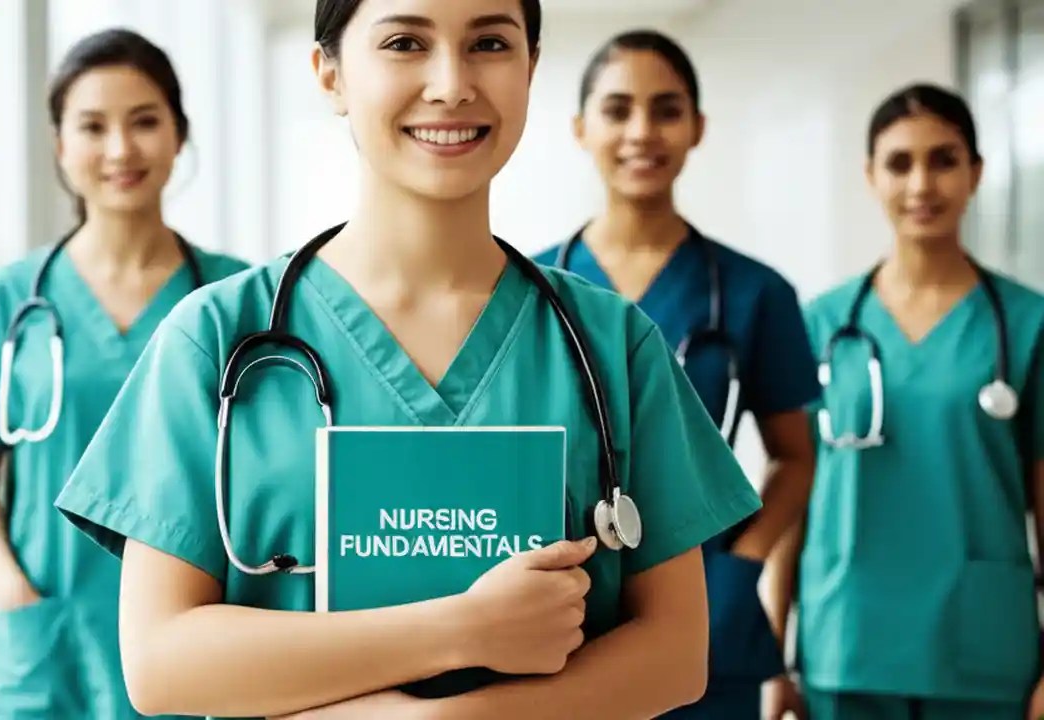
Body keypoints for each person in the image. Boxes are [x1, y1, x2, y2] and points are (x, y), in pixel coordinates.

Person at [53, 2, 762, 719]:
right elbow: (162, 663)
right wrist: (465, 629)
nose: (451, 83)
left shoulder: (612, 344)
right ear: (329, 75)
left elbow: (674, 655)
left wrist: (446, 719)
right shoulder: (213, 339)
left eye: (489, 42)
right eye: (403, 42)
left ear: (531, 68)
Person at [0, 29, 249, 719]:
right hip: (48, 642)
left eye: (145, 121)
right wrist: (11, 592)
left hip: (192, 636)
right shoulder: (8, 301)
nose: (121, 149)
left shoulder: (235, 300)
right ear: (60, 146)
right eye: (93, 127)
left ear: (179, 135)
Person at [533, 30, 820, 718]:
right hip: (564, 603)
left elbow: (797, 457)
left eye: (666, 110)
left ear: (697, 128)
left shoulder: (755, 293)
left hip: (706, 603)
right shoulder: (526, 288)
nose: (642, 131)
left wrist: (741, 562)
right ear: (580, 128)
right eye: (617, 109)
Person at [766, 83, 1044, 720]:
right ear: (870, 176)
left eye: (944, 160)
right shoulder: (821, 324)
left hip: (981, 653)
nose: (922, 184)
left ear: (975, 172)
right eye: (900, 163)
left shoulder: (1027, 325)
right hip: (846, 646)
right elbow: (792, 495)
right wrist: (773, 654)